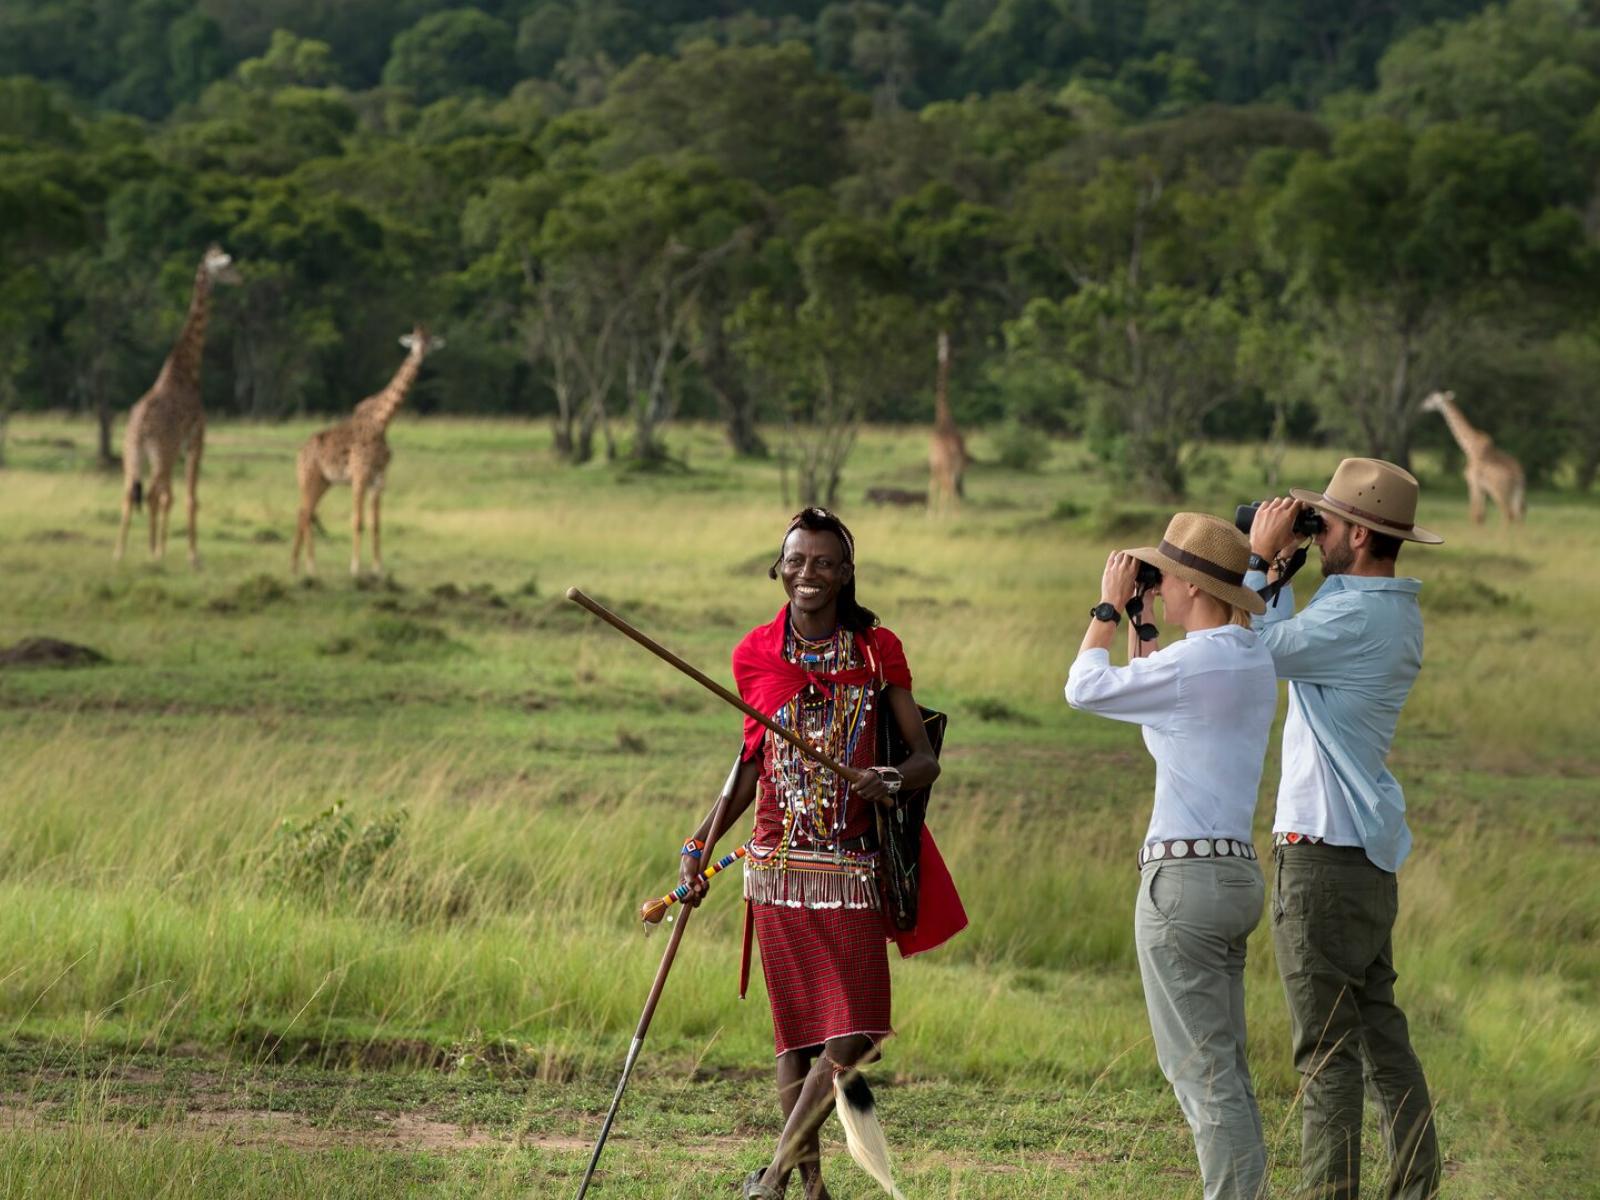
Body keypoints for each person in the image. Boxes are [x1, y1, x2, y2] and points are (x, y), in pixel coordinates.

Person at [678, 507, 948, 1200]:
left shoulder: (876, 650)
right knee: (799, 1035)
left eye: (824, 562)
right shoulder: (755, 653)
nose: (809, 574)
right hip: (777, 867)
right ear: (779, 567)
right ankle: (813, 1189)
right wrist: (698, 844)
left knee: (855, 1030)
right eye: (797, 561)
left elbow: (922, 760)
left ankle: (770, 1181)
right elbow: (747, 765)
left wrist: (884, 778)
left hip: (853, 867)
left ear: (846, 573)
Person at [1245, 458, 1444, 1200]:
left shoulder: (1351, 613)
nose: (1317, 532)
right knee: (1382, 1038)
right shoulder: (1386, 609)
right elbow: (1293, 639)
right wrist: (1285, 572)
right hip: (1364, 857)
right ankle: (1415, 1185)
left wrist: (1265, 561)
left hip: (1321, 858)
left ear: (1359, 534)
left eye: (1325, 523)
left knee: (1325, 1053)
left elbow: (1255, 653)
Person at [1065, 512, 1277, 1200]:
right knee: (1225, 1068)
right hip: (1233, 875)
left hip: (1181, 884)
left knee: (1201, 1074)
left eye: (1168, 578)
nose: (1162, 588)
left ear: (1191, 584)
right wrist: (1143, 626)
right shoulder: (1246, 657)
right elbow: (1163, 721)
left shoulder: (1197, 665)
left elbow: (1084, 689)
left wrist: (1105, 607)